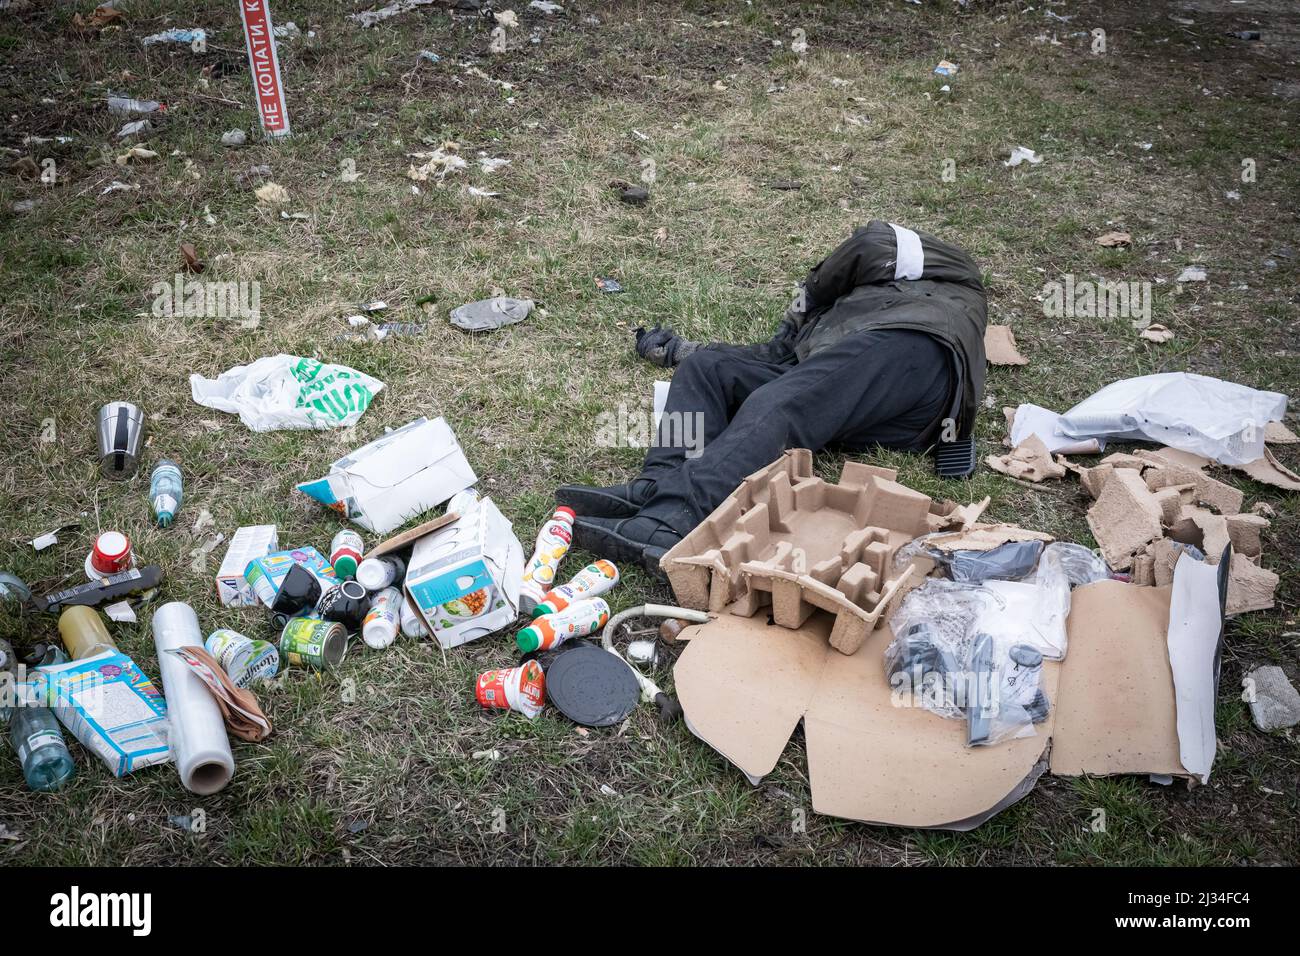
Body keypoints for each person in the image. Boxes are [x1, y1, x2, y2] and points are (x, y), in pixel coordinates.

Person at [558, 220, 988, 576]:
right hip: (858, 384)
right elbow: (780, 358)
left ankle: (671, 518)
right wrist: (688, 352)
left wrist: (810, 297)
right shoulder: (852, 316)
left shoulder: (949, 275)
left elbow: (872, 241)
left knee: (781, 404)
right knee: (708, 371)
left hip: (914, 355)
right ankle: (659, 481)